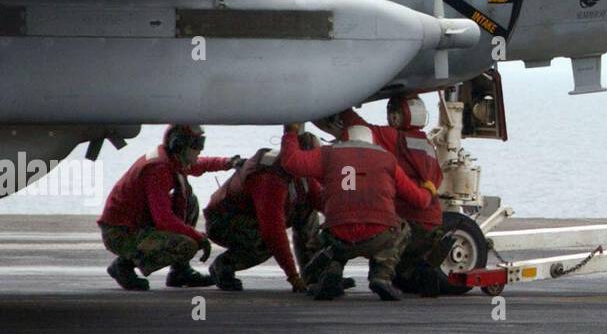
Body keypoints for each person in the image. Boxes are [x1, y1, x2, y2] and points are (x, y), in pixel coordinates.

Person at [277, 116, 437, 302]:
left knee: (328, 239)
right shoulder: (387, 159)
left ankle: (332, 269)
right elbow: (419, 200)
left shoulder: (329, 154)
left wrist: (290, 132)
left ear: (345, 140)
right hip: (378, 235)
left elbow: (290, 162)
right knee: (403, 228)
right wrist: (428, 190)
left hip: (338, 237)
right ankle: (382, 275)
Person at [99, 124, 239, 291]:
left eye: (201, 143)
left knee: (189, 201)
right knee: (187, 245)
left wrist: (229, 163)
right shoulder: (159, 169)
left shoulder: (171, 159)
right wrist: (199, 237)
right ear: (179, 145)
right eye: (196, 145)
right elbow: (163, 219)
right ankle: (123, 266)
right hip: (120, 232)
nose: (200, 150)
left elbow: (199, 165)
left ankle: (180, 272)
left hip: (132, 224)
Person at [203, 132, 326, 293]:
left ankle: (313, 274)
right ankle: (225, 264)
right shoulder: (270, 178)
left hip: (253, 215)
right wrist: (293, 277)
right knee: (266, 243)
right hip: (223, 221)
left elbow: (322, 202)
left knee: (307, 211)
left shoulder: (297, 169)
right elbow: (273, 231)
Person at [374, 95, 447, 297]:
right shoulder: (426, 145)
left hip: (412, 227)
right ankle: (418, 270)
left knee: (380, 234)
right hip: (432, 226)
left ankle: (385, 276)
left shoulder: (395, 138)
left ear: (396, 117)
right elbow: (437, 179)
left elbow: (360, 127)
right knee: (405, 279)